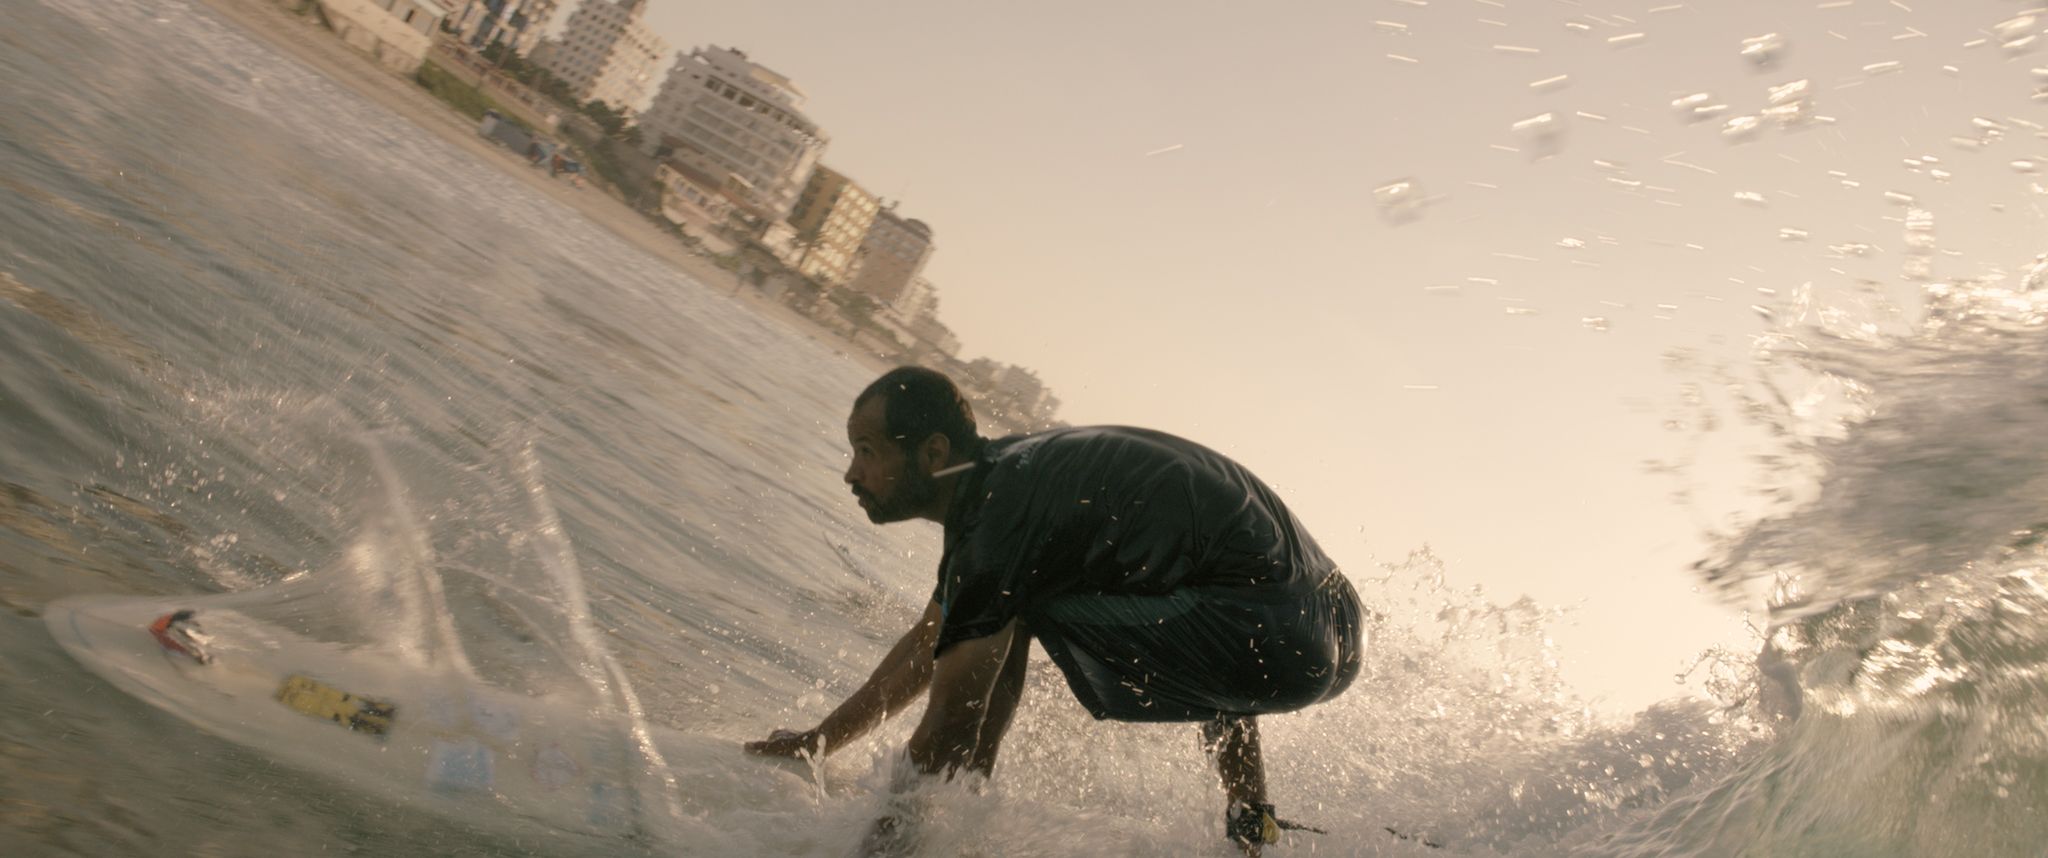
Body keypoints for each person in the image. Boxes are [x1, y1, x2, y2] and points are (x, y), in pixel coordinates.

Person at [747, 366, 1365, 855]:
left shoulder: (1000, 520)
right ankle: (1251, 830)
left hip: (1279, 638)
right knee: (1019, 606)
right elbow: (931, 637)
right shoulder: (1009, 485)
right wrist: (818, 742)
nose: (851, 473)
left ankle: (954, 817)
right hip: (1320, 629)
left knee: (1019, 608)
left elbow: (953, 715)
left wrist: (880, 844)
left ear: (933, 454)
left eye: (866, 450)